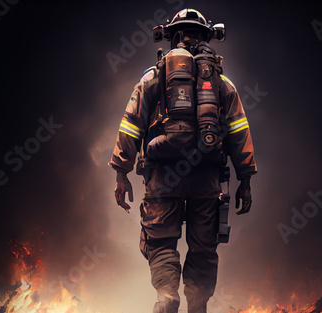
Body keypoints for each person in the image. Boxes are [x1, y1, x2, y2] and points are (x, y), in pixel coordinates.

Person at [108, 8, 257, 313]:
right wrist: (246, 180)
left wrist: (121, 172)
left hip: (163, 176)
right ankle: (198, 306)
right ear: (207, 38)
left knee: (161, 243)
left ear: (172, 35)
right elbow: (238, 130)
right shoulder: (222, 84)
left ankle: (166, 297)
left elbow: (131, 123)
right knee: (204, 248)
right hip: (207, 178)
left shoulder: (153, 77)